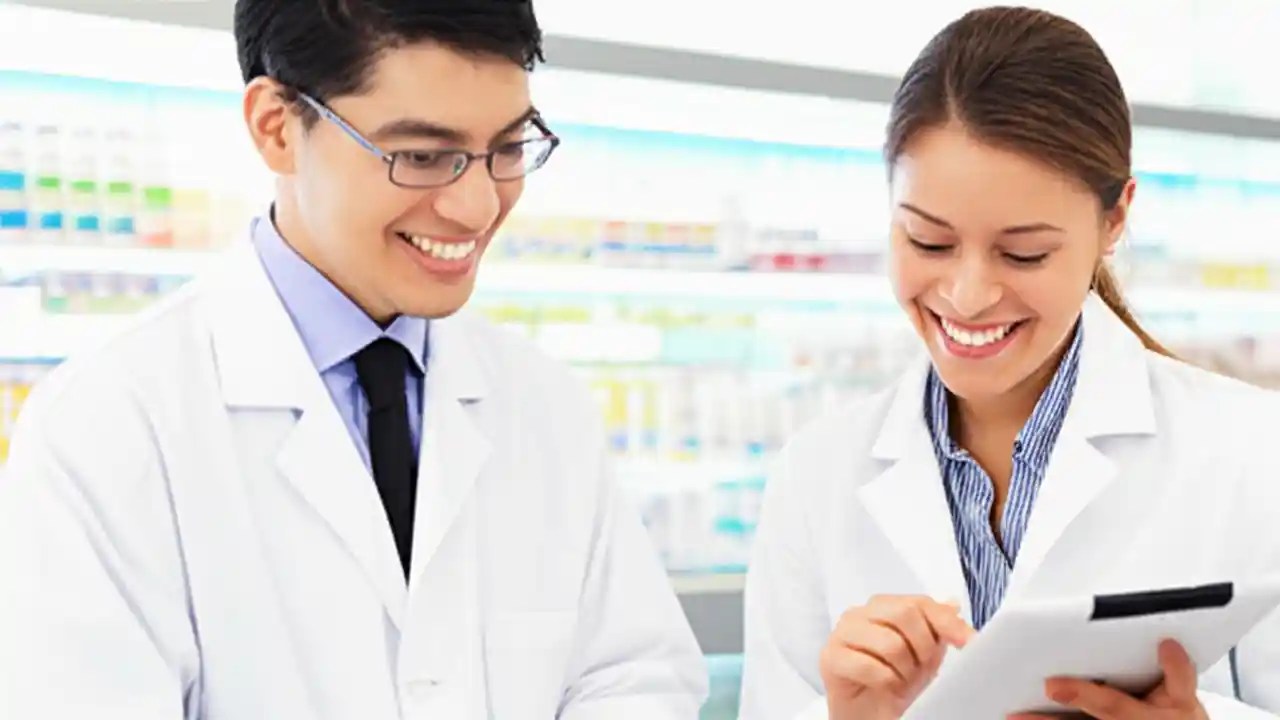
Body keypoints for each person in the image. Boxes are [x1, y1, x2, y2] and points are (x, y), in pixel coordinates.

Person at [0, 1, 708, 717]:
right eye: (422, 157)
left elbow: (634, 678)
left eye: (507, 148)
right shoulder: (108, 424)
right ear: (276, 128)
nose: (475, 206)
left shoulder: (542, 401)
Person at [738, 6, 1280, 720]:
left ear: (1114, 220)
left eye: (1024, 253)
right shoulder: (816, 476)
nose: (968, 296)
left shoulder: (1252, 452)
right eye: (928, 242)